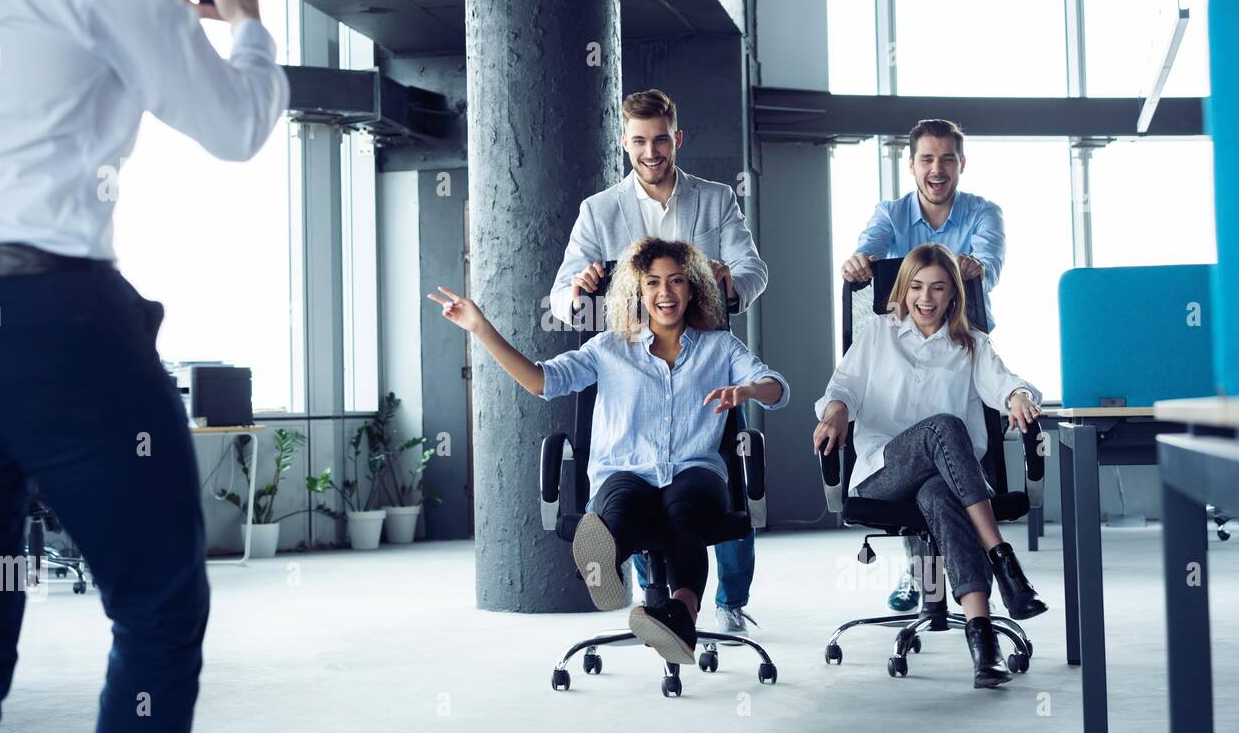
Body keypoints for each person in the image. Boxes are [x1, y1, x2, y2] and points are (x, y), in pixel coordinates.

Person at [0, 0, 287, 733]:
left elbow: (35, 58)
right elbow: (235, 124)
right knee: (157, 602)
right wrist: (246, 22)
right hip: (51, 312)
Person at [436, 238, 789, 664]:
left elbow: (776, 388)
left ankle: (680, 613)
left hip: (695, 470)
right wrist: (480, 328)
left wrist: (748, 389)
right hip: (625, 470)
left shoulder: (720, 347)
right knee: (621, 501)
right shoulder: (608, 348)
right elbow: (541, 381)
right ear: (638, 290)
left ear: (693, 287)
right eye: (653, 282)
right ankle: (604, 563)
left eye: (676, 281)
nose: (665, 292)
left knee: (685, 513)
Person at [548, 89, 769, 639]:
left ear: (678, 138)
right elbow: (559, 296)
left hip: (705, 363)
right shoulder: (599, 210)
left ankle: (731, 600)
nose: (652, 152)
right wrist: (576, 290)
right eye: (640, 142)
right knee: (641, 481)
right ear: (626, 144)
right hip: (631, 363)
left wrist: (728, 284)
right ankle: (662, 603)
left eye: (662, 139)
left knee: (716, 477)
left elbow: (754, 270)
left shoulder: (715, 199)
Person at [814, 244, 1046, 689]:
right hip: (884, 473)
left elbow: (1006, 384)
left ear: (954, 294)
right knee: (944, 427)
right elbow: (842, 389)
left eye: (938, 288)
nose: (926, 298)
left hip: (947, 482)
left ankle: (984, 644)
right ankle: (1003, 559)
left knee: (940, 494)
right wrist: (837, 410)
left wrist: (1018, 397)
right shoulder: (878, 333)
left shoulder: (972, 344)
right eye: (917, 286)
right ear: (903, 289)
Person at [840, 119, 1008, 614]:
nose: (937, 169)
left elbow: (987, 265)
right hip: (901, 348)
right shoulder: (891, 215)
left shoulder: (983, 213)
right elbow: (869, 250)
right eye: (927, 159)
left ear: (961, 164)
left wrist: (974, 268)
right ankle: (985, 563)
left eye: (947, 159)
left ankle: (975, 621)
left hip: (955, 341)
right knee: (929, 432)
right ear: (911, 165)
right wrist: (860, 261)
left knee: (939, 477)